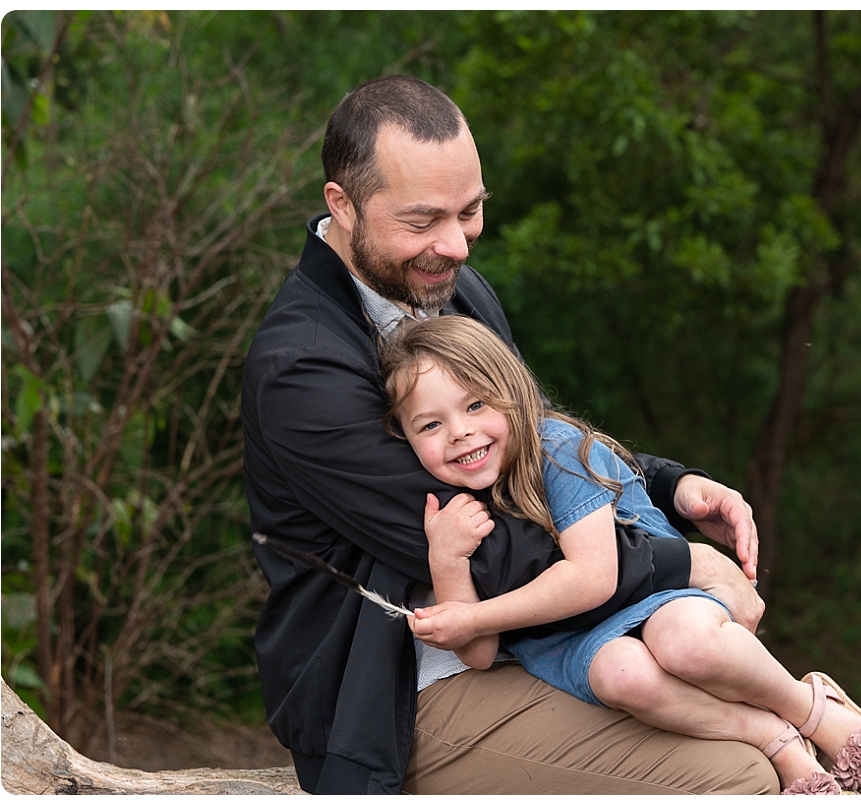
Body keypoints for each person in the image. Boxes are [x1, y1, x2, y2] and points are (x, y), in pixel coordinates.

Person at [241, 74, 777, 794]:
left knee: (729, 694)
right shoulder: (301, 366)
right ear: (342, 204)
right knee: (734, 775)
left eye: (471, 212)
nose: (455, 244)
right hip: (400, 690)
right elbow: (492, 550)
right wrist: (673, 563)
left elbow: (531, 437)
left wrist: (666, 483)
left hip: (534, 633)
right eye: (424, 219)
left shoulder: (451, 287)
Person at [379, 314, 861, 796]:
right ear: (404, 439)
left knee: (687, 644)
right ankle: (772, 737)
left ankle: (809, 709)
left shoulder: (555, 449)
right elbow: (480, 652)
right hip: (567, 639)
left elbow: (595, 578)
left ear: (514, 394)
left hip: (650, 590)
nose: (460, 432)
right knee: (621, 676)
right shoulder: (449, 509)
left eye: (475, 406)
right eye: (430, 426)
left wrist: (471, 616)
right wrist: (445, 560)